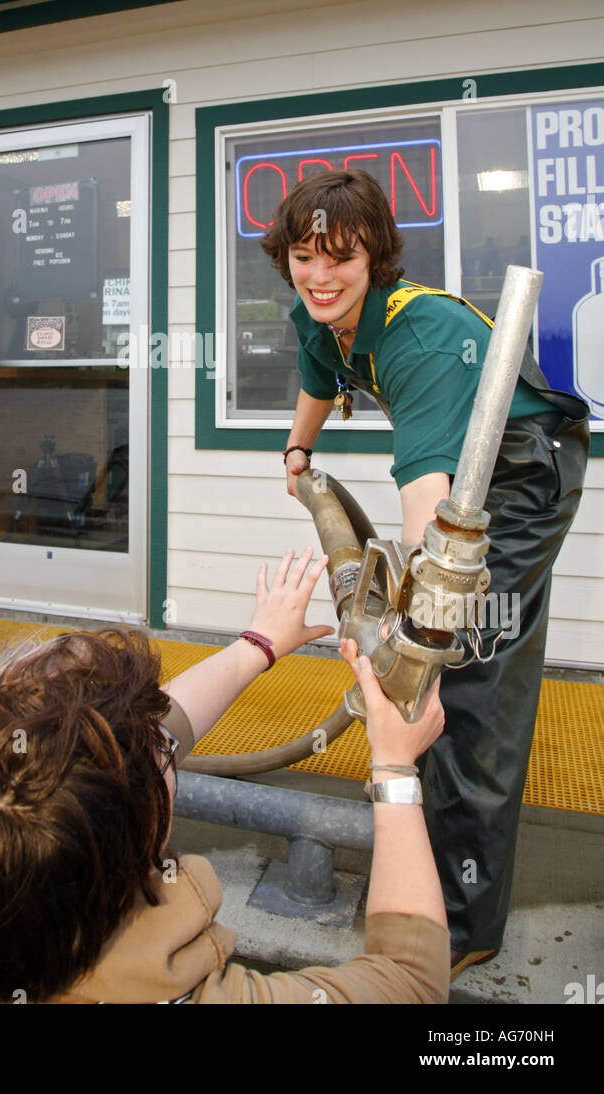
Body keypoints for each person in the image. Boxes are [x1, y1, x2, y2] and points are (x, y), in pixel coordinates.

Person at [0, 548, 449, 1005]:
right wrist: (395, 772)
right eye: (156, 755)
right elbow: (411, 982)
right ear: (149, 831)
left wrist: (257, 646)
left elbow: (125, 761)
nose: (167, 740)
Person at [262, 168, 589, 978]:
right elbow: (316, 376)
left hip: (522, 468)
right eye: (305, 256)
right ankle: (424, 860)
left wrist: (409, 632)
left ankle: (461, 918)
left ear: (375, 256)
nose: (320, 274)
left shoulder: (422, 338)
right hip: (462, 476)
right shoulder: (321, 313)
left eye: (341, 256)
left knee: (466, 670)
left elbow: (429, 511)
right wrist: (301, 453)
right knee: (433, 669)